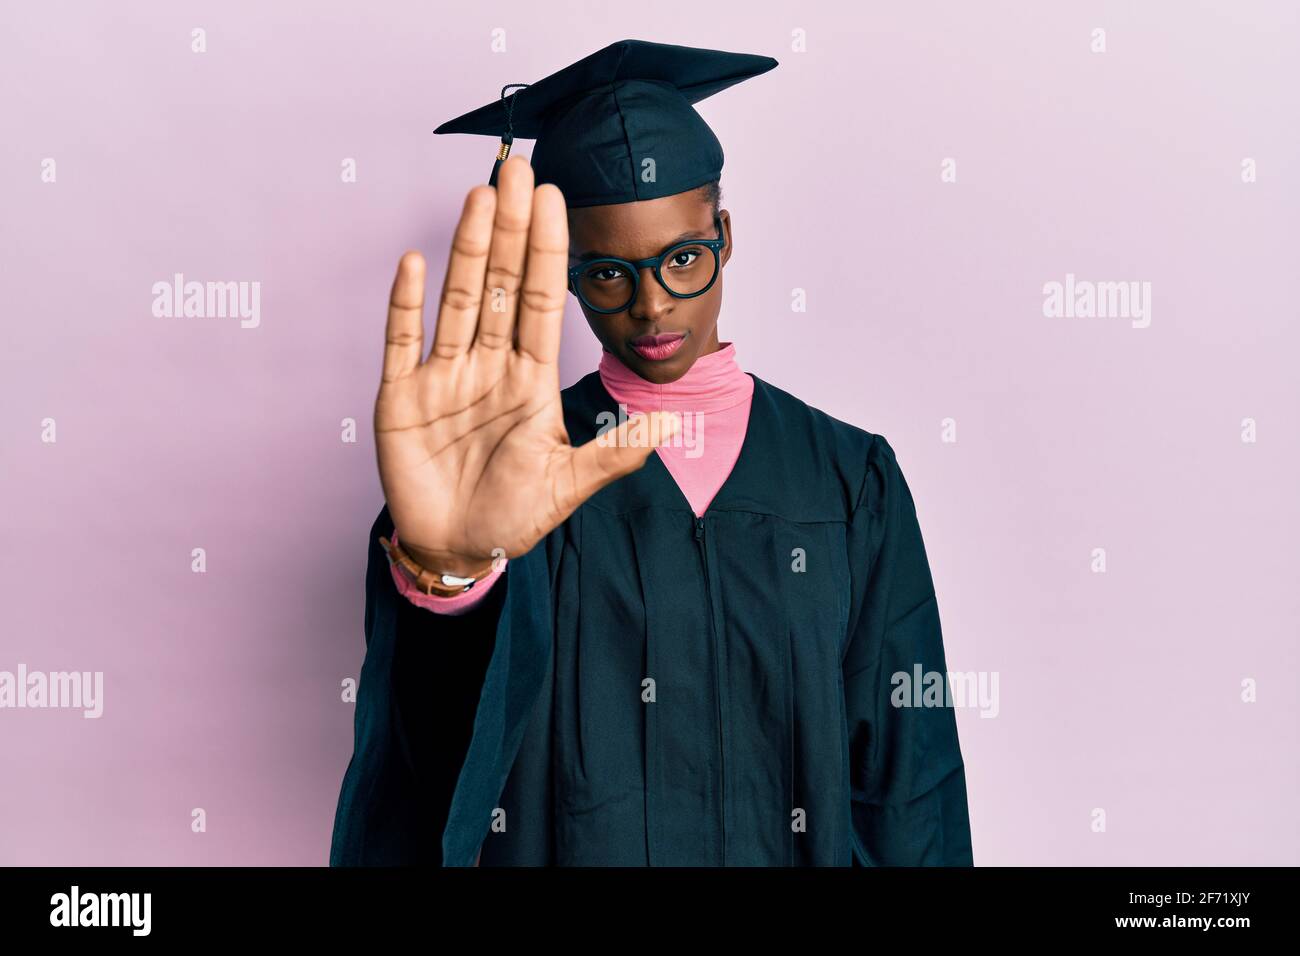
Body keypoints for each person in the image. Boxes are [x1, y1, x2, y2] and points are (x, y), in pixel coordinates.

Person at [329, 39, 974, 866]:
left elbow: (909, 786)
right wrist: (448, 574)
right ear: (565, 274)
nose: (653, 303)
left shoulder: (851, 482)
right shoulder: (502, 477)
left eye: (682, 258)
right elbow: (434, 759)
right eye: (607, 274)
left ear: (725, 236)